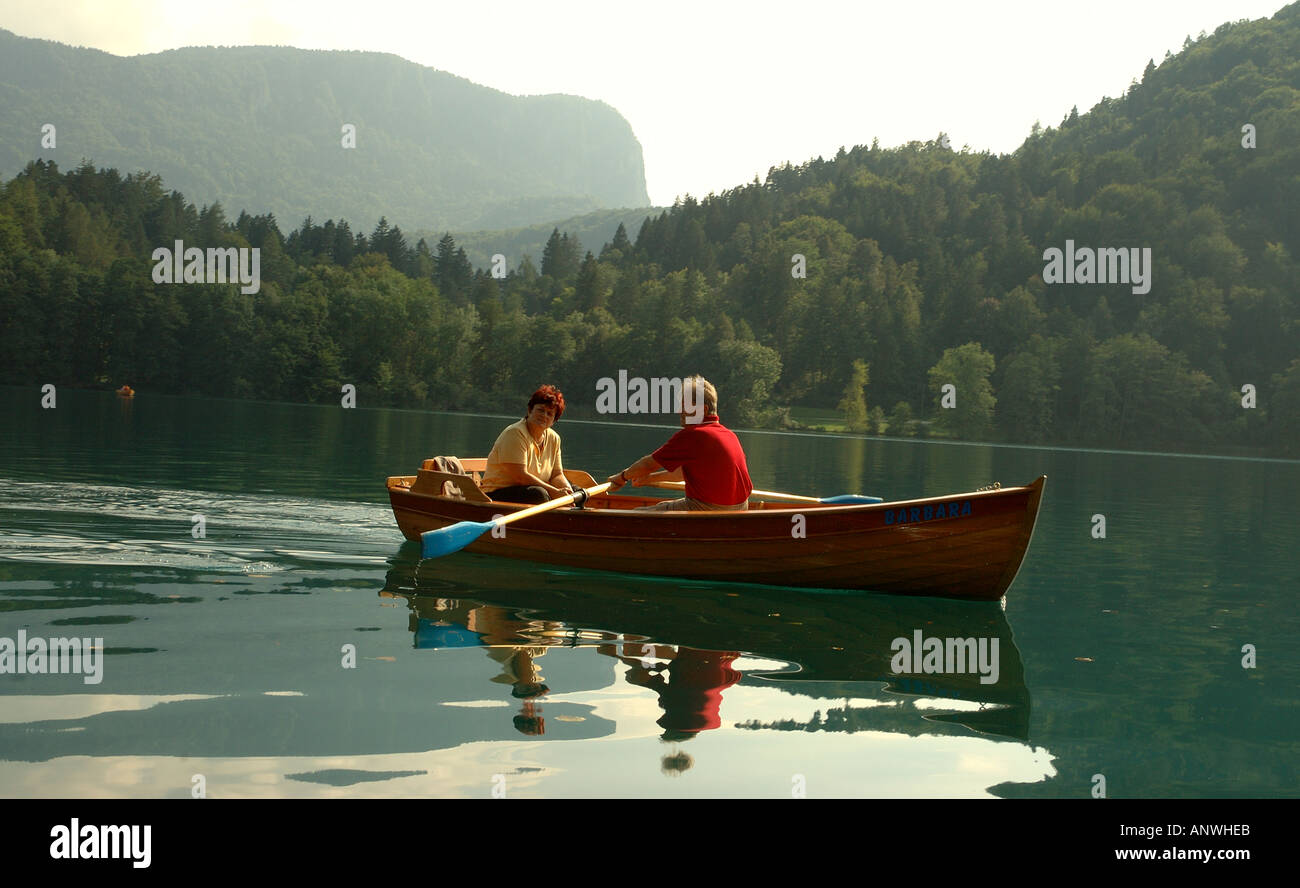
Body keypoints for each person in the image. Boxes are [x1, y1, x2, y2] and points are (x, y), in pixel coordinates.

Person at [607, 375, 753, 511]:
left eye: (685, 407)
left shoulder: (694, 434)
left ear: (703, 409)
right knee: (662, 506)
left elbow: (649, 464)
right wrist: (648, 479)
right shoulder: (729, 434)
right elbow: (683, 474)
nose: (679, 411)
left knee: (637, 515)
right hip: (741, 508)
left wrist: (621, 477)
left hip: (709, 509)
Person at [480, 385, 574, 505]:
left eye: (549, 413)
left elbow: (557, 474)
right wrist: (554, 492)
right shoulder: (515, 433)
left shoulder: (554, 438)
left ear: (554, 421)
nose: (544, 415)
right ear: (530, 410)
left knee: (575, 491)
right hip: (495, 494)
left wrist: (568, 492)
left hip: (533, 490)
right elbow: (520, 477)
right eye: (540, 410)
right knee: (539, 495)